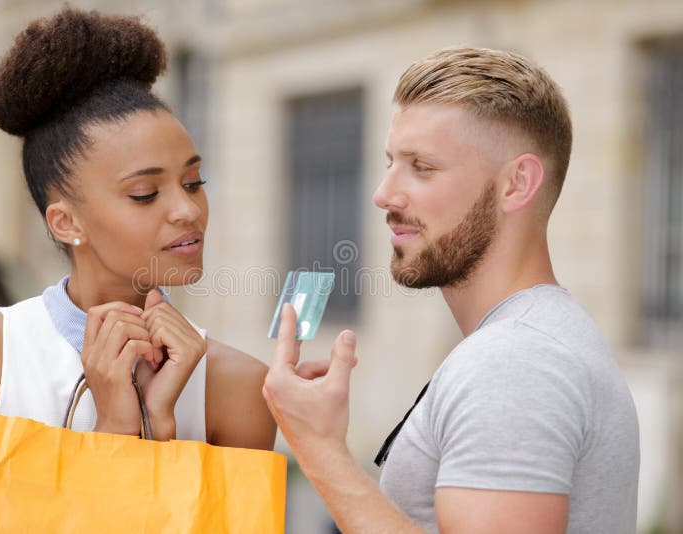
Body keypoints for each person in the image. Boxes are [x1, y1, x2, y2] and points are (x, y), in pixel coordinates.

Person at [263, 46, 639, 533]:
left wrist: (319, 449)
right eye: (390, 162)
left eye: (422, 167)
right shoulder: (529, 343)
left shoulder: (515, 363)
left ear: (516, 184)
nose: (383, 193)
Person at [0, 8, 275, 450]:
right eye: (145, 193)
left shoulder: (237, 387)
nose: (187, 210)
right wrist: (115, 431)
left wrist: (159, 427)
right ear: (66, 222)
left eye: (193, 183)